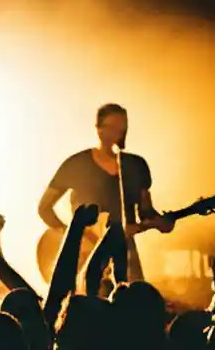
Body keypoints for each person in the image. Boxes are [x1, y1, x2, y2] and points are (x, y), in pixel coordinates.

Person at [37, 104, 173, 280]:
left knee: (133, 293)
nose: (117, 133)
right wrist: (72, 235)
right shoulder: (77, 164)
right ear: (98, 128)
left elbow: (146, 211)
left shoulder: (135, 165)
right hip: (86, 252)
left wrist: (160, 222)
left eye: (121, 128)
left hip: (125, 250)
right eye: (111, 127)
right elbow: (44, 207)